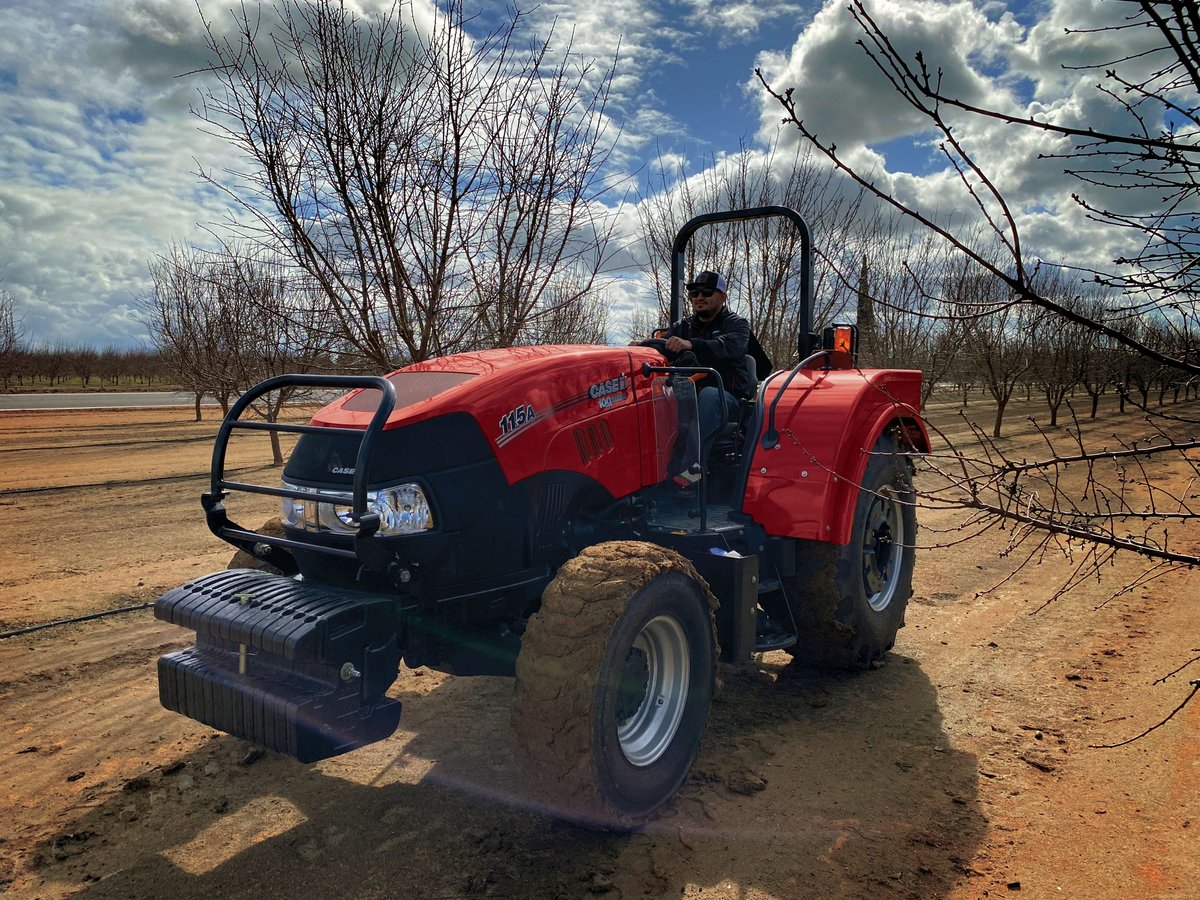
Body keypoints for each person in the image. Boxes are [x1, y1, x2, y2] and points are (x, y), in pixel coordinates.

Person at [663, 270, 754, 442]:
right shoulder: (683, 326)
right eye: (694, 293)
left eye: (707, 292)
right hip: (686, 393)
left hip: (727, 397)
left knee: (709, 396)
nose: (699, 297)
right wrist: (643, 347)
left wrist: (691, 344)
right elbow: (664, 345)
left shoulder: (737, 325)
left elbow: (728, 346)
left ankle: (694, 464)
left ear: (723, 297)